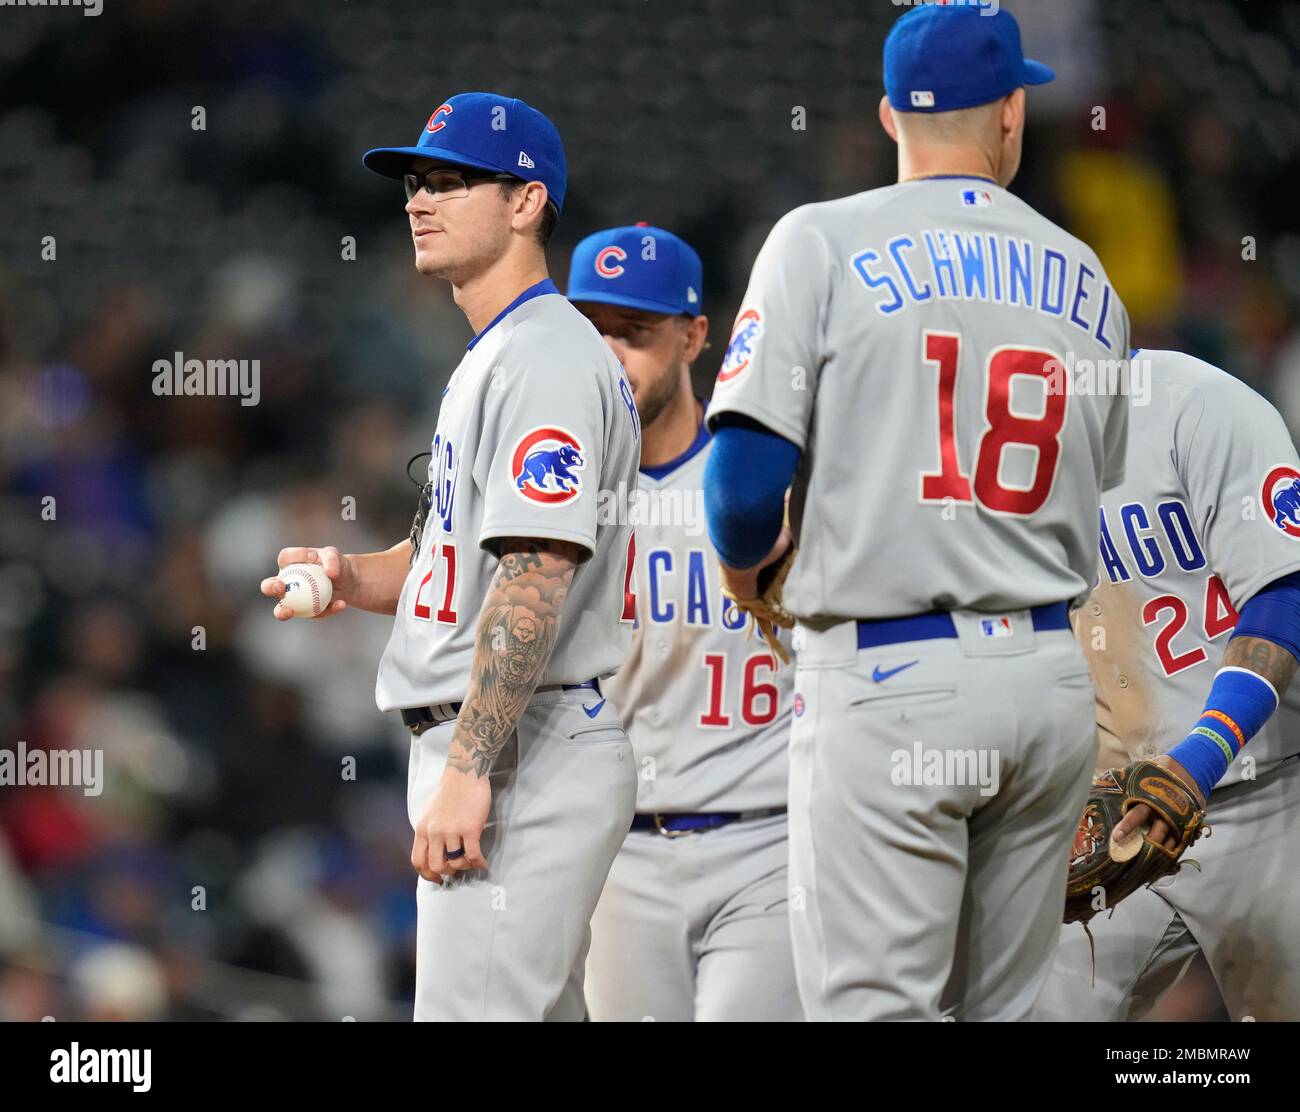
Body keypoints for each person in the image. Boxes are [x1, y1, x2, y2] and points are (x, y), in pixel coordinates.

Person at [702, 5, 1131, 1020]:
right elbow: (1099, 475)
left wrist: (746, 571)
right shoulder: (1086, 272)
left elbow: (741, 487)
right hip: (1046, 678)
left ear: (890, 115)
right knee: (1010, 1011)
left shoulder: (818, 239)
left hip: (891, 677)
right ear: (1013, 112)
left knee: (875, 1009)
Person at [260, 92, 642, 1021]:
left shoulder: (543, 356)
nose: (419, 201)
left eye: (451, 181)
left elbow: (536, 573)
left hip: (519, 745)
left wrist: (471, 769)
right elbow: (460, 563)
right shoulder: (501, 352)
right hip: (512, 737)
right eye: (415, 184)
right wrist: (354, 577)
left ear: (527, 202)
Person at [567, 223, 802, 1021]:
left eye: (634, 331)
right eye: (593, 330)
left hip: (770, 841)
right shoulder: (554, 494)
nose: (609, 354)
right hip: (618, 857)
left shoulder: (765, 485)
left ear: (694, 336)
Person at [1035, 349, 1300, 1022]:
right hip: (1122, 806)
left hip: (1273, 791)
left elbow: (1285, 596)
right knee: (1029, 1007)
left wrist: (1200, 758)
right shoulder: (1005, 450)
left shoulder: (1197, 404)